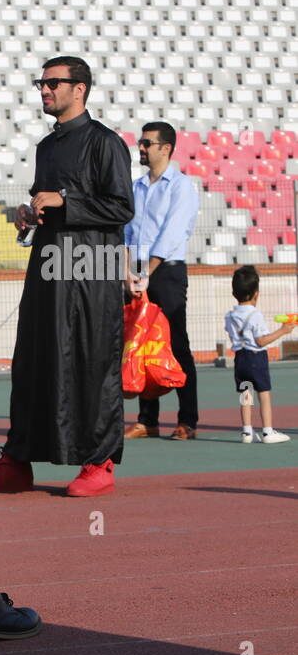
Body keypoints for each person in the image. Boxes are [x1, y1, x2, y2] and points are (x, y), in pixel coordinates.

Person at [0, 56, 134, 497]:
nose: (44, 90)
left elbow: (121, 208)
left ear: (79, 89)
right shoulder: (47, 146)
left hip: (92, 272)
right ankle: (17, 462)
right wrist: (32, 215)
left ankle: (98, 463)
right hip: (48, 267)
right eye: (41, 83)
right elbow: (54, 206)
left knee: (90, 361)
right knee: (34, 362)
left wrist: (64, 202)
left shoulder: (106, 143)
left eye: (53, 83)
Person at [123, 121, 201, 440]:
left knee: (177, 344)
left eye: (147, 143)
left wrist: (145, 271)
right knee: (140, 343)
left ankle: (188, 420)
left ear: (165, 148)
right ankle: (147, 420)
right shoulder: (136, 186)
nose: (141, 148)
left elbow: (172, 232)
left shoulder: (182, 186)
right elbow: (127, 231)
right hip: (139, 272)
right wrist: (129, 271)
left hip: (166, 272)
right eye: (141, 143)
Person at [225, 266, 294, 443]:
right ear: (256, 293)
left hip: (240, 359)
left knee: (245, 394)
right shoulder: (256, 315)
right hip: (256, 358)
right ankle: (267, 431)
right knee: (264, 393)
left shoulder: (230, 315)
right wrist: (283, 331)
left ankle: (247, 431)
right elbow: (261, 341)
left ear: (234, 293)